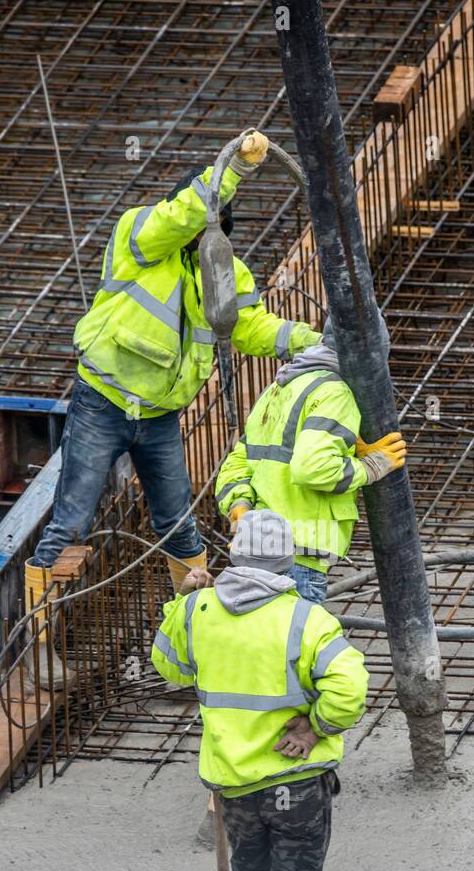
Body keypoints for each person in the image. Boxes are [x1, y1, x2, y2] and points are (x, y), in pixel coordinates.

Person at [25, 130, 322, 678]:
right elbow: (183, 215)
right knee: (71, 523)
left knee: (179, 526)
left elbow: (250, 326)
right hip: (103, 403)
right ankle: (37, 647)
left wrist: (310, 341)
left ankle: (192, 639)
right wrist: (234, 171)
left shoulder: (220, 269)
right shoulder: (140, 236)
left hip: (159, 418)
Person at [150, 510, 368, 871]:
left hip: (233, 786)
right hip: (295, 786)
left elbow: (168, 667)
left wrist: (182, 602)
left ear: (236, 555)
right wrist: (314, 727)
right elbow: (351, 689)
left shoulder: (198, 609)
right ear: (287, 563)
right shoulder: (306, 618)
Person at [214, 328, 406, 603]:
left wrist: (240, 508)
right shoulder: (335, 392)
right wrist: (370, 467)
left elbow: (238, 462)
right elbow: (312, 468)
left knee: (266, 638)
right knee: (296, 642)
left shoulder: (279, 388)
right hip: (299, 555)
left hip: (256, 548)